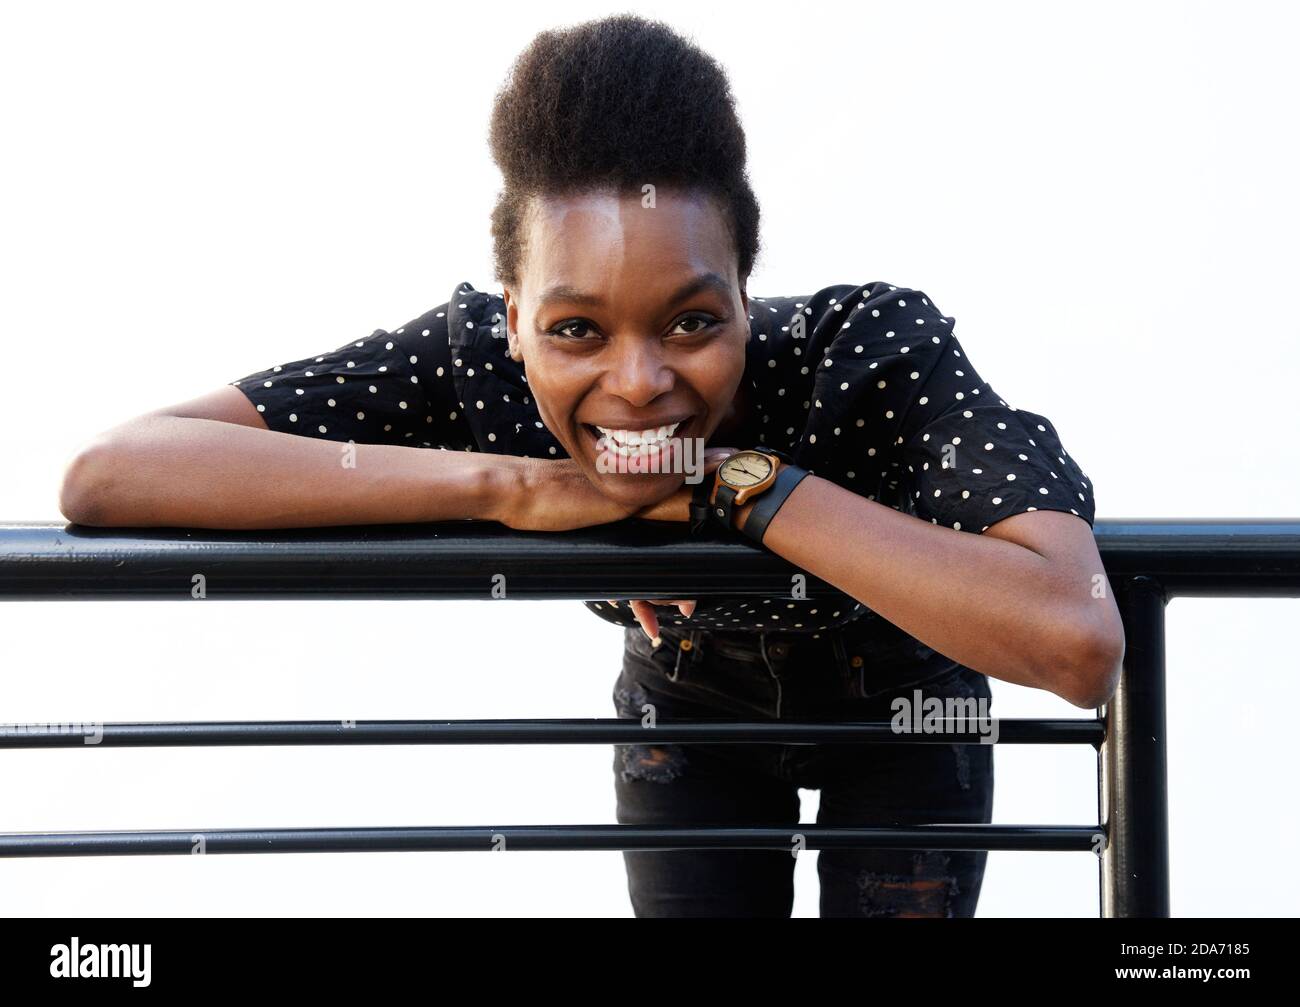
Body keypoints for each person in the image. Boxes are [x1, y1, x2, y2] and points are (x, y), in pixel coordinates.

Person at [56, 13, 1125, 917]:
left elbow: (1073, 639)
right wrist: (521, 487)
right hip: (683, 717)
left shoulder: (867, 350)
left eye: (692, 321)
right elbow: (114, 472)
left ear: (749, 298)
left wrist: (735, 483)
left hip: (903, 706)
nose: (637, 381)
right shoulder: (474, 371)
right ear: (513, 319)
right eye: (575, 330)